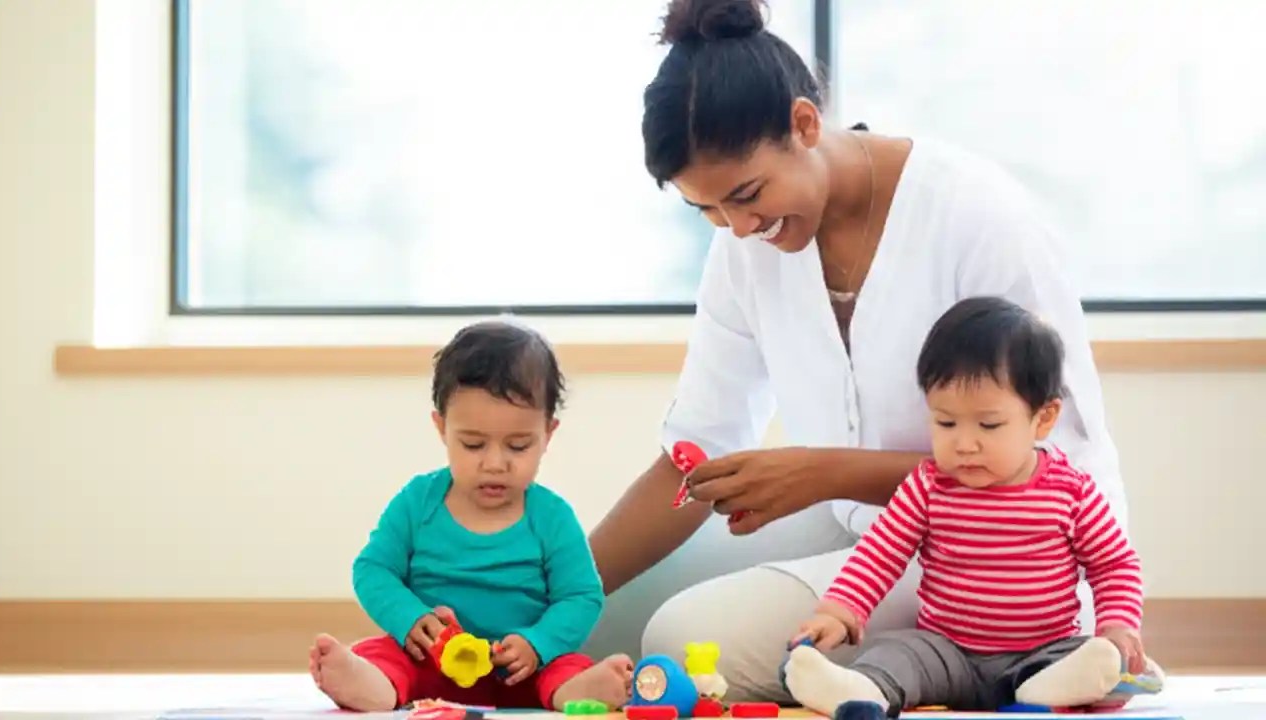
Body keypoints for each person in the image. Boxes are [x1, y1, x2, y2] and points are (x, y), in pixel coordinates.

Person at [588, 0, 1128, 701]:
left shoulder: (977, 219)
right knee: (602, 621)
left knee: (678, 639)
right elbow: (695, 455)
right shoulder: (743, 245)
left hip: (1002, 555)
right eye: (709, 211)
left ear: (805, 124)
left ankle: (1009, 667)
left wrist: (823, 473)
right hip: (863, 528)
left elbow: (1047, 470)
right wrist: (552, 592)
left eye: (747, 195)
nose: (739, 228)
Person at [783, 297, 1160, 717]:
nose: (964, 443)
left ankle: (1059, 686)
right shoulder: (928, 487)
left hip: (1041, 653)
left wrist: (1116, 626)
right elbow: (879, 554)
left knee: (1089, 657)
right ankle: (860, 690)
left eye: (989, 425)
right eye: (946, 423)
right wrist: (838, 610)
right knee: (896, 650)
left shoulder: (1070, 491)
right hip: (947, 652)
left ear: (1043, 418)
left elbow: (1114, 565)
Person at [309, 320, 634, 712]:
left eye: (518, 446)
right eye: (473, 444)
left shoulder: (551, 517)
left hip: (522, 670)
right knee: (384, 653)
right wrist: (410, 617)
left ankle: (580, 690)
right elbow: (372, 570)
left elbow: (581, 595)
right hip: (428, 663)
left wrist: (538, 642)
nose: (494, 463)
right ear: (442, 428)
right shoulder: (418, 501)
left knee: (566, 667)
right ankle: (372, 685)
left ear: (548, 434)